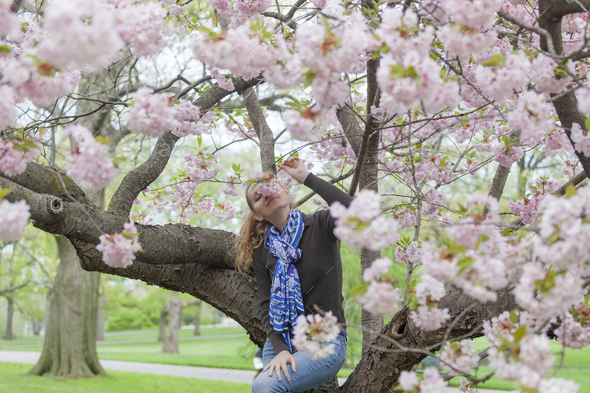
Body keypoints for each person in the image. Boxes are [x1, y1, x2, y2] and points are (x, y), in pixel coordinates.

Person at [234, 157, 353, 393]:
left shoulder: (321, 225)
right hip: (281, 341)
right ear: (257, 214)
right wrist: (282, 350)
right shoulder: (262, 250)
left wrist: (305, 176)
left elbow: (355, 209)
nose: (265, 194)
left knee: (265, 387)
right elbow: (267, 304)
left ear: (287, 193)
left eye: (269, 187)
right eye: (258, 197)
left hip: (326, 340)